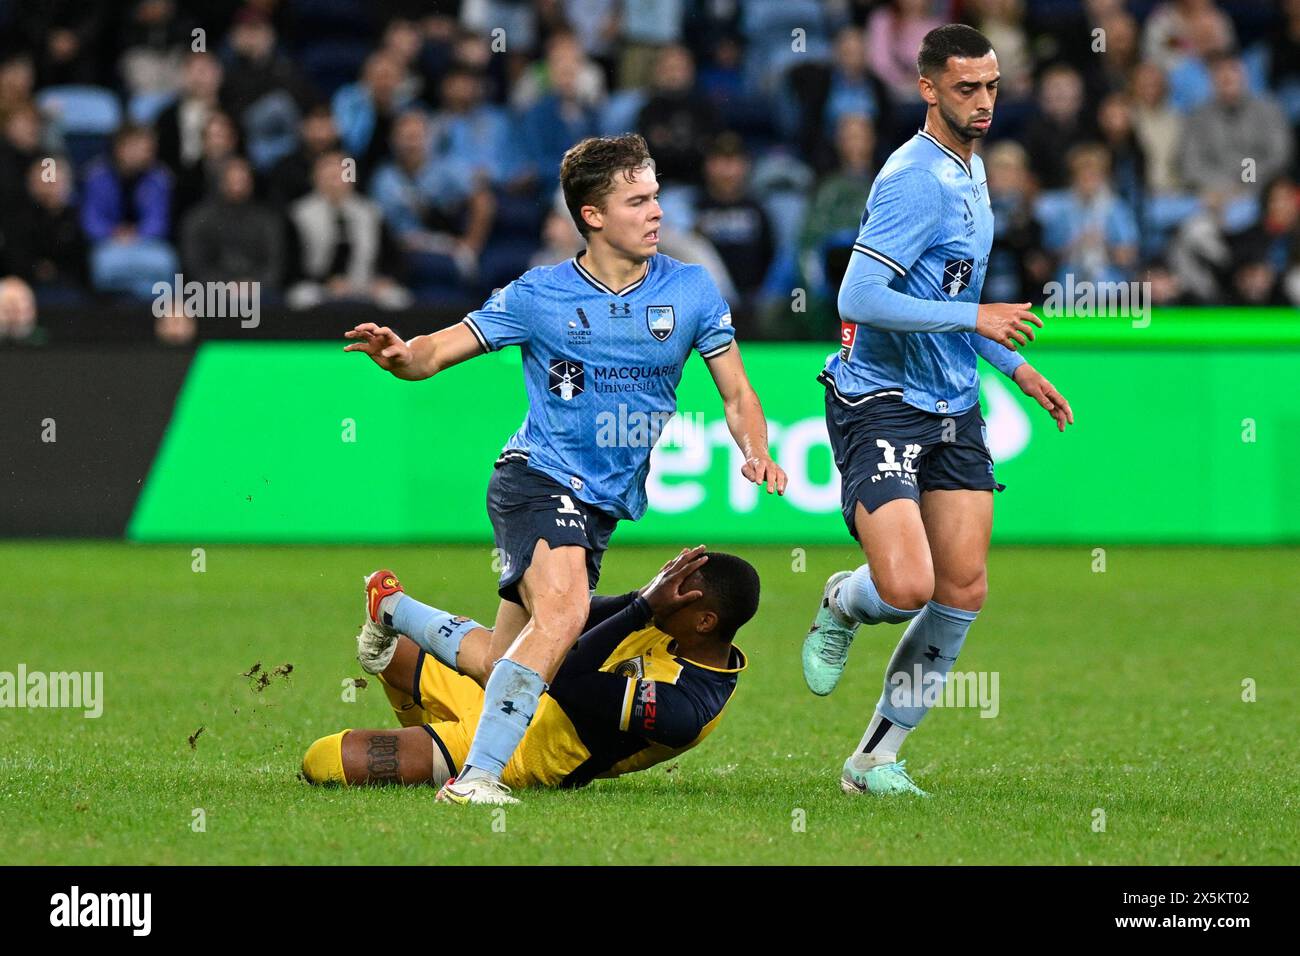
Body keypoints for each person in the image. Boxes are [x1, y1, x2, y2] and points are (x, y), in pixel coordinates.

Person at [343, 133, 786, 805]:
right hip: (539, 477)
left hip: (601, 505)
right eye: (638, 200)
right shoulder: (537, 294)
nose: (657, 212)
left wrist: (756, 447)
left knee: (505, 658)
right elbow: (436, 352)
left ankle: (393, 612)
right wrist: (401, 355)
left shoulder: (691, 289)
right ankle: (477, 781)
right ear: (593, 215)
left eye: (657, 196)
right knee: (566, 613)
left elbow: (737, 393)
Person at [801, 24, 1073, 797]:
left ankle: (874, 760)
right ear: (927, 88)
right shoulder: (915, 178)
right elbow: (857, 297)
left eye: (991, 87)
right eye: (966, 88)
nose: (983, 102)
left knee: (963, 588)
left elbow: (949, 300)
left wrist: (1015, 367)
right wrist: (975, 319)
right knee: (906, 585)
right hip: (881, 400)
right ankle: (841, 602)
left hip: (955, 403)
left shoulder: (973, 169)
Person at [302, 548, 756, 791]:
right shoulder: (668, 619)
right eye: (666, 583)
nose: (663, 593)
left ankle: (442, 749)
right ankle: (426, 726)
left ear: (705, 621)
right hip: (507, 680)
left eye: (677, 592)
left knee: (324, 761)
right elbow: (568, 617)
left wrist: (641, 608)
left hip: (525, 750)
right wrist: (640, 599)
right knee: (395, 651)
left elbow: (564, 677)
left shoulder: (687, 706)